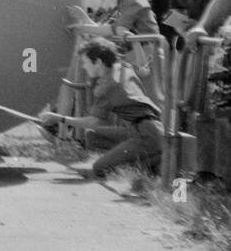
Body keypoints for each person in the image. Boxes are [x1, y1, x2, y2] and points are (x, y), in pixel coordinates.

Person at [40, 38, 162, 179]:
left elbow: (94, 121)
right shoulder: (124, 67)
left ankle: (150, 162)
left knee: (99, 168)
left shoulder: (108, 86)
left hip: (146, 134)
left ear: (98, 62)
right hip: (147, 127)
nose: (84, 67)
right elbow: (142, 71)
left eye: (85, 62)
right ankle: (147, 157)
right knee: (92, 136)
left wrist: (59, 118)